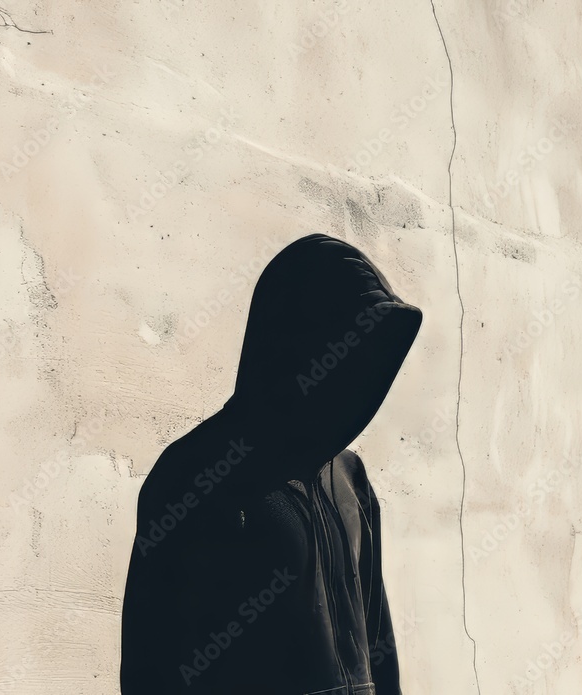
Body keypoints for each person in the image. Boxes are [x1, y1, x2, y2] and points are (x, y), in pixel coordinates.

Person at [120, 233, 422, 694]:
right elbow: (155, 666)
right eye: (342, 348)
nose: (353, 371)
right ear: (297, 341)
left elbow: (378, 635)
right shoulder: (196, 475)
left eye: (365, 354)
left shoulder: (350, 479)